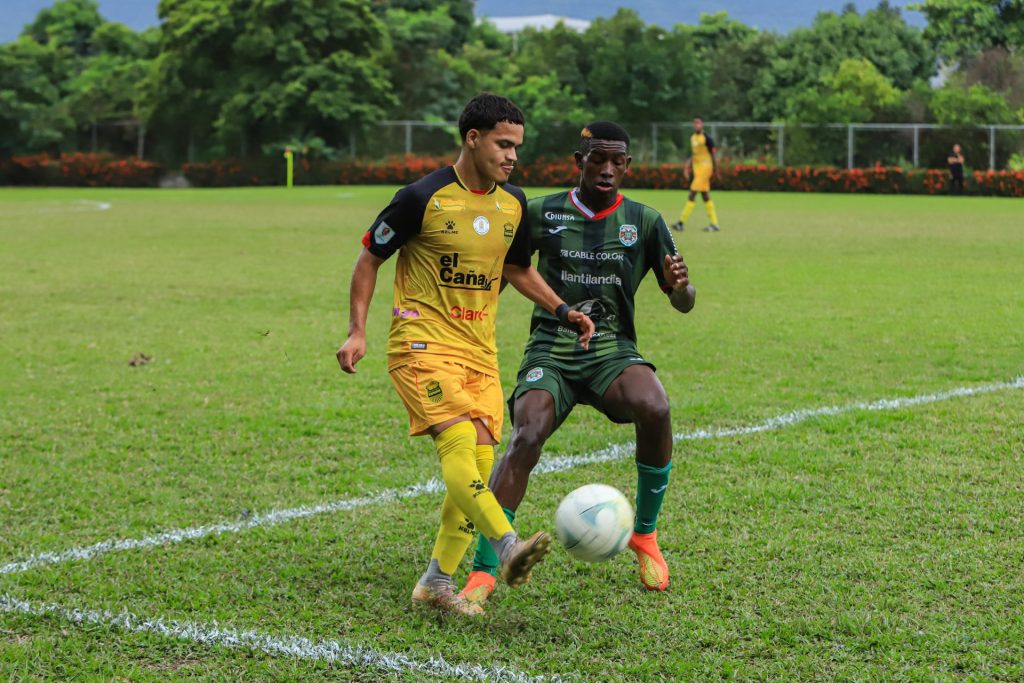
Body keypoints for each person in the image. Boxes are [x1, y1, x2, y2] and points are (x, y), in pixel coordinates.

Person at [336, 94, 595, 617]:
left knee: (477, 463)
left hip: (479, 352)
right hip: (421, 345)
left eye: (517, 147)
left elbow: (517, 269)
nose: (512, 156)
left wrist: (563, 309)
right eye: (503, 144)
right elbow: (369, 258)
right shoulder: (421, 197)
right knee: (458, 448)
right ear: (473, 139)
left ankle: (436, 582)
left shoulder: (513, 203)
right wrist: (357, 331)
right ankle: (507, 545)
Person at [459, 121, 696, 607]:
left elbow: (684, 302)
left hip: (612, 350)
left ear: (627, 166)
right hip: (552, 347)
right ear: (579, 160)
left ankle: (645, 535)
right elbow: (506, 273)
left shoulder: (645, 220)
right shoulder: (540, 211)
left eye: (617, 162)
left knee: (655, 406)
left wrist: (681, 285)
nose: (607, 170)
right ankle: (485, 567)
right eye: (597, 159)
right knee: (526, 434)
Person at [670, 116, 720, 232]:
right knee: (705, 195)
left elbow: (713, 155)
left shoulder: (707, 138)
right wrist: (687, 167)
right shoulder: (693, 138)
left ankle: (681, 223)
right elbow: (694, 155)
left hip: (705, 168)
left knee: (692, 194)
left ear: (702, 124)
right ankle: (714, 224)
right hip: (697, 169)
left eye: (698, 123)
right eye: (695, 123)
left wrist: (716, 170)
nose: (696, 125)